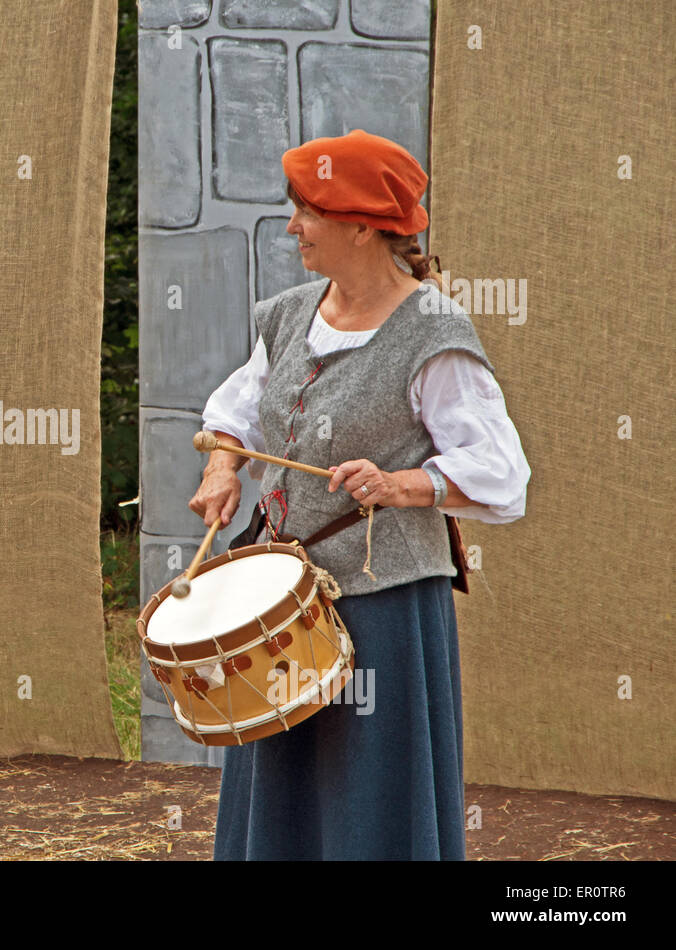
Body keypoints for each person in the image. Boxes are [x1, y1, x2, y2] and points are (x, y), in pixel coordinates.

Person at [190, 130, 530, 860]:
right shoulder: (287, 314)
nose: (292, 228)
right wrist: (221, 468)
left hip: (383, 606)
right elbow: (233, 414)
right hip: (279, 606)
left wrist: (400, 483)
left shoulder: (433, 329)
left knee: (370, 795)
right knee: (280, 784)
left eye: (307, 211)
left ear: (363, 226)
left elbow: (502, 471)